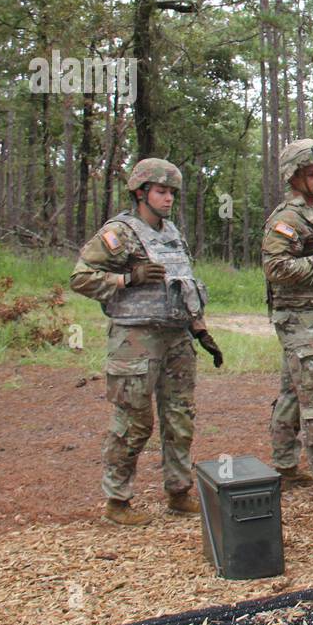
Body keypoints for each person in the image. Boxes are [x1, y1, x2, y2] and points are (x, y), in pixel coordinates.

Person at [70, 158, 223, 526]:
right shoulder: (120, 233)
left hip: (176, 337)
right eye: (161, 191)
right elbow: (80, 277)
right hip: (135, 339)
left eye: (172, 192)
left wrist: (200, 330)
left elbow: (184, 284)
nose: (168, 198)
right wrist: (127, 279)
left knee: (180, 417)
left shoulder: (172, 233)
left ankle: (178, 491)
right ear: (141, 193)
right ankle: (118, 501)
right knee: (134, 420)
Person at [262, 138, 313, 494]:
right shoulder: (288, 218)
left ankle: (286, 465)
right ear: (294, 177)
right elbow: (275, 267)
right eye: (312, 174)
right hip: (300, 317)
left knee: (293, 392)